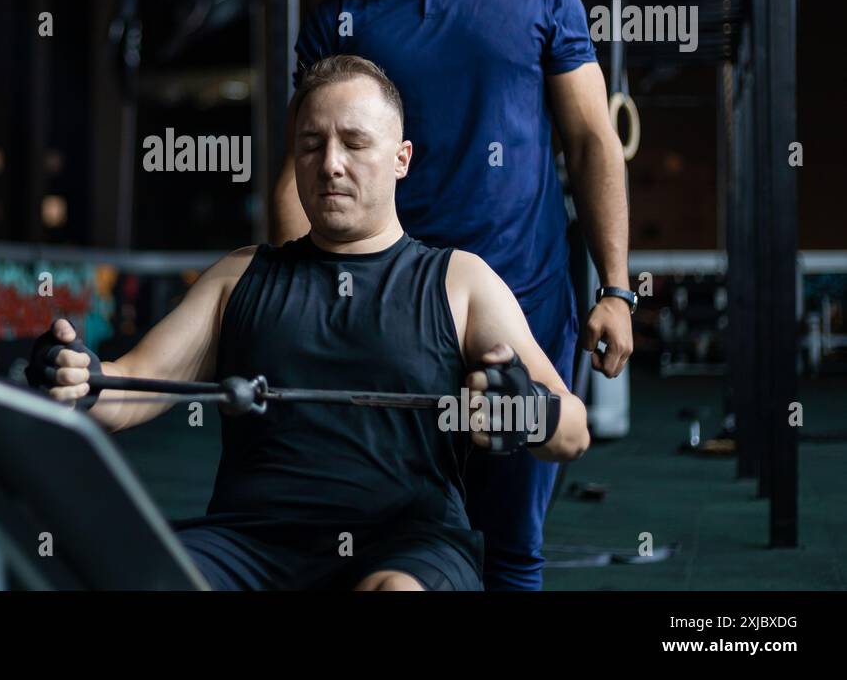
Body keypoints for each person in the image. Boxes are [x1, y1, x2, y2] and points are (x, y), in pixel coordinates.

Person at [31, 56, 588, 591]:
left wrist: (529, 413)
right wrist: (75, 377)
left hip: (407, 544)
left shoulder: (459, 281)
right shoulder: (239, 276)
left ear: (402, 158)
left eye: (354, 142)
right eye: (311, 144)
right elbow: (127, 390)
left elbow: (573, 431)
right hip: (250, 544)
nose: (330, 164)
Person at [271, 0, 632, 590]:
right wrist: (295, 297)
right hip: (394, 322)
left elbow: (591, 140)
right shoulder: (341, 22)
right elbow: (299, 167)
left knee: (511, 549)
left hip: (528, 313)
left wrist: (616, 288)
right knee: (393, 542)